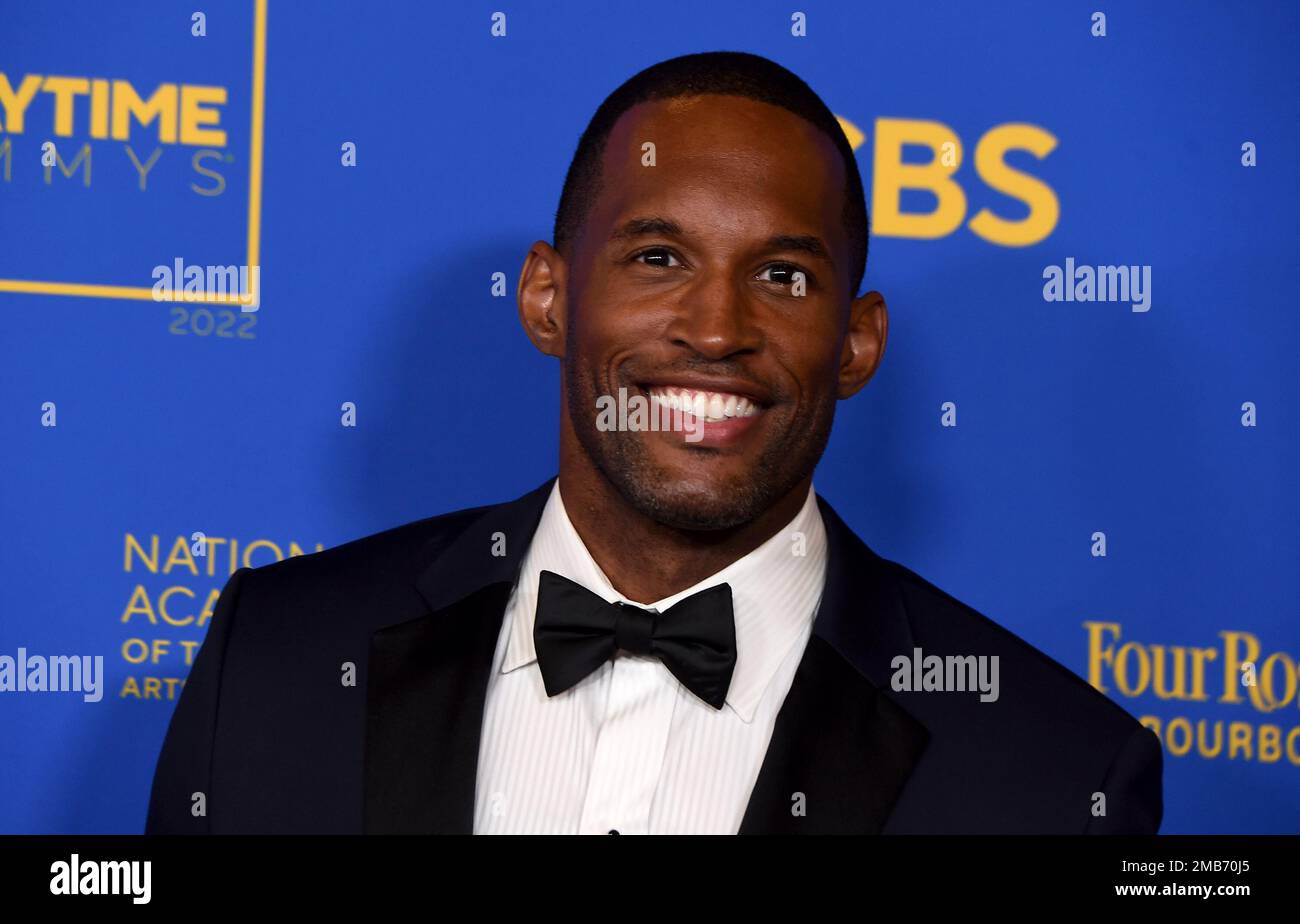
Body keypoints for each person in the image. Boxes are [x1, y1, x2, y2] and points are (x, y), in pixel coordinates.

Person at [146, 50, 1162, 835]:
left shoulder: (1052, 773)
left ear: (855, 344)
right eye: (658, 255)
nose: (716, 330)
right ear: (548, 298)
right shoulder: (279, 657)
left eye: (784, 277)